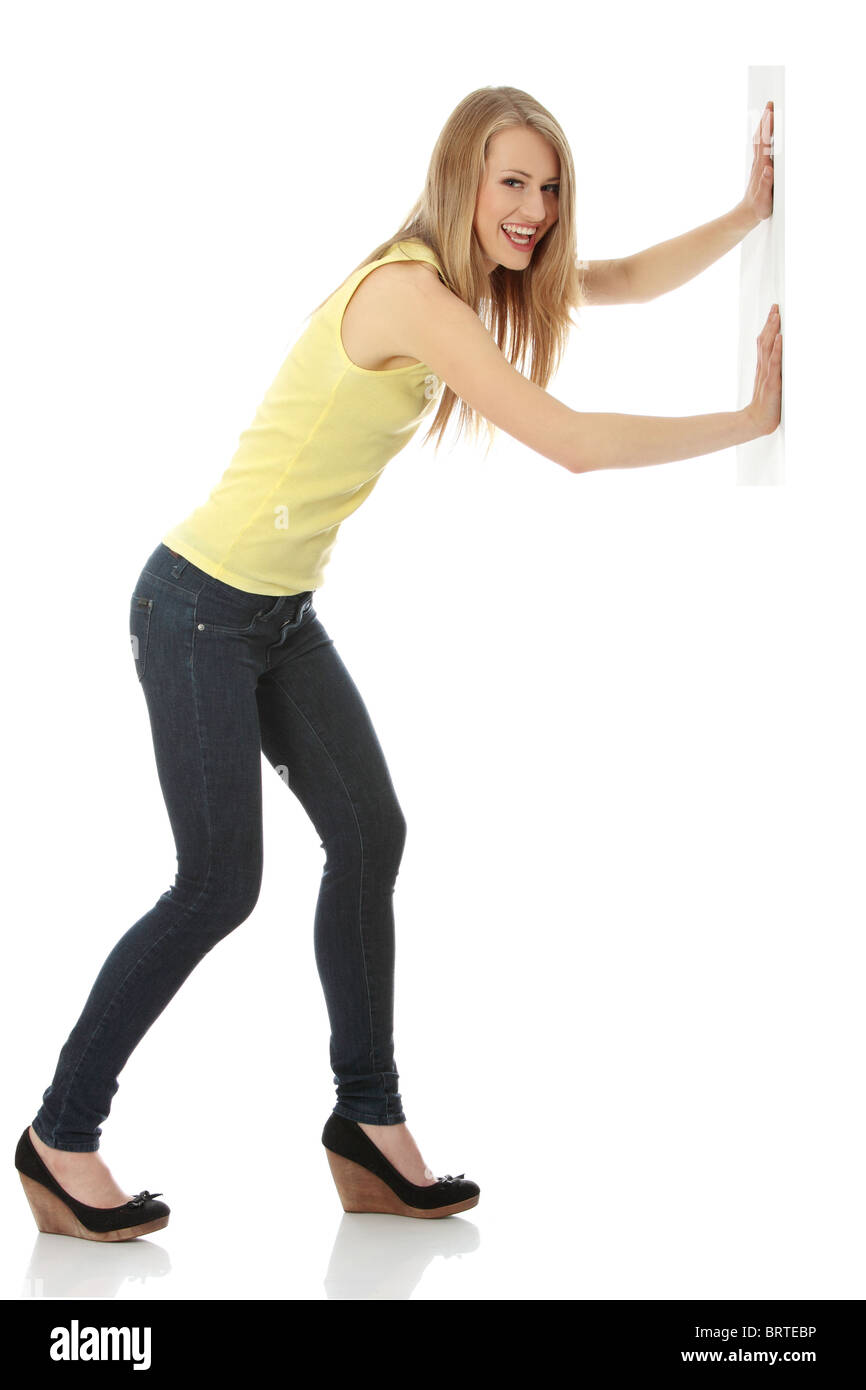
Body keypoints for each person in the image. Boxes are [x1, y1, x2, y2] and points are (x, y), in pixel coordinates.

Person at [15, 85, 780, 1239]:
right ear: (460, 177)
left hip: (273, 613)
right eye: (509, 182)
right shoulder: (413, 294)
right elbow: (567, 443)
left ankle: (366, 1126)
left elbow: (612, 279)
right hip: (197, 610)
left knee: (370, 833)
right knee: (217, 883)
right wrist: (748, 420)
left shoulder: (462, 285)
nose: (530, 209)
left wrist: (745, 213)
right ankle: (60, 1133)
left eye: (547, 186)